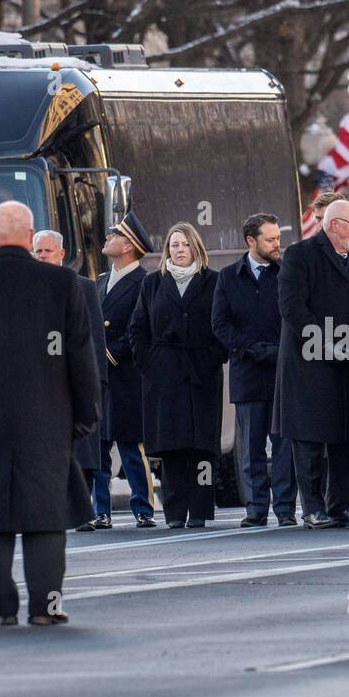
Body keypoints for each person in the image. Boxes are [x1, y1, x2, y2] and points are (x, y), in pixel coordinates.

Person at [0, 202, 99, 626]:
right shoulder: (62, 284)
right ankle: (46, 607)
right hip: (47, 418)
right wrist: (85, 415)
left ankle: (2, 608)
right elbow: (81, 357)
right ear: (31, 238)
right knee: (46, 516)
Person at [274, 199, 349, 528]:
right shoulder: (300, 256)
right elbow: (293, 309)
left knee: (346, 437)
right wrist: (326, 342)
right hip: (311, 362)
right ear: (334, 225)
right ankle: (314, 508)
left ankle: (342, 504)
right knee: (309, 437)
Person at [128, 222, 227, 529]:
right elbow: (137, 328)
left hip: (201, 372)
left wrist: (213, 356)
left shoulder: (213, 281)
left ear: (195, 247)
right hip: (164, 375)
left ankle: (199, 509)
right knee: (172, 447)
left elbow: (224, 323)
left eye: (184, 244)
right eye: (173, 245)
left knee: (201, 447)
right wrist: (148, 363)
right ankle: (174, 511)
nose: (179, 250)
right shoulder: (153, 283)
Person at [212, 213, 297, 528]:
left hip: (282, 372)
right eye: (271, 239)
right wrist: (251, 349)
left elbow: (296, 316)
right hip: (247, 372)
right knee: (251, 448)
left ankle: (286, 508)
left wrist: (280, 350)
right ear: (251, 240)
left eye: (278, 238)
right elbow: (220, 324)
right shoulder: (229, 277)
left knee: (284, 444)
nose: (277, 244)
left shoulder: (287, 273)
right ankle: (256, 508)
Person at [32, 229, 109, 532]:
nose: (41, 256)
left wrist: (98, 381)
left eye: (47, 251)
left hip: (75, 382)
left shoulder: (84, 288)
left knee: (83, 451)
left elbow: (95, 337)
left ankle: (83, 511)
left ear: (61, 254)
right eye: (37, 251)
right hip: (39, 384)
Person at [92, 211, 157, 529]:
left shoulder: (142, 282)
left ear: (129, 245)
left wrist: (108, 353)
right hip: (100, 378)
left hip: (125, 374)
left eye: (115, 235)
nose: (108, 239)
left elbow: (140, 327)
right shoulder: (101, 282)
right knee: (99, 446)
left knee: (132, 446)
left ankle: (143, 507)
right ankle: (100, 509)